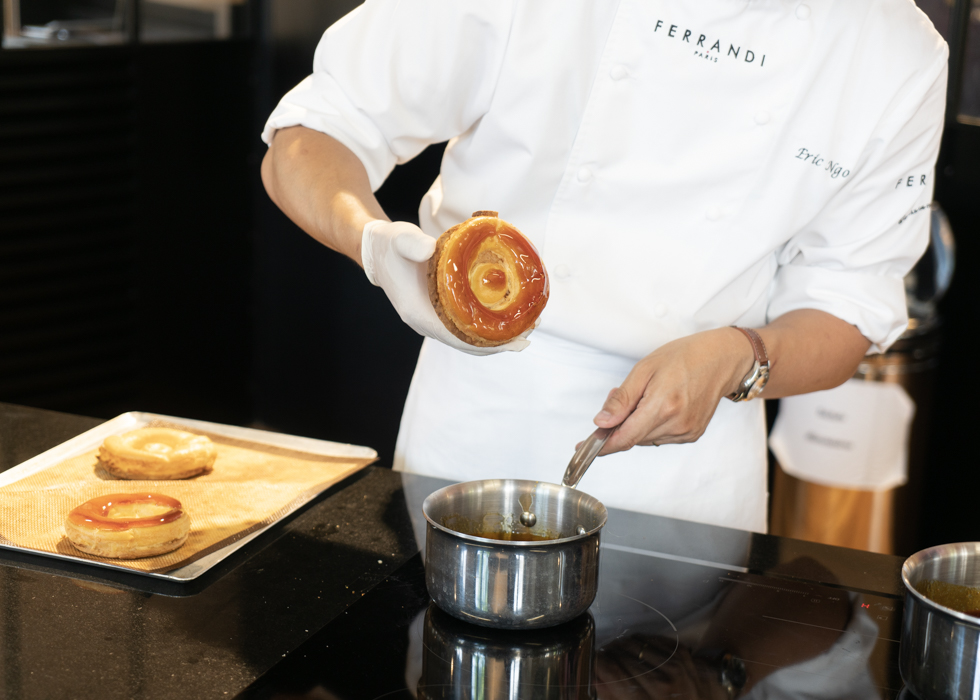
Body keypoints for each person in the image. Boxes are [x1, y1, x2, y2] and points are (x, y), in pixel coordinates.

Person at [261, 0, 947, 532]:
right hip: (476, 432)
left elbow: (848, 305)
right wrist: (374, 243)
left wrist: (739, 357)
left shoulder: (895, 52)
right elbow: (312, 135)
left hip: (689, 484)